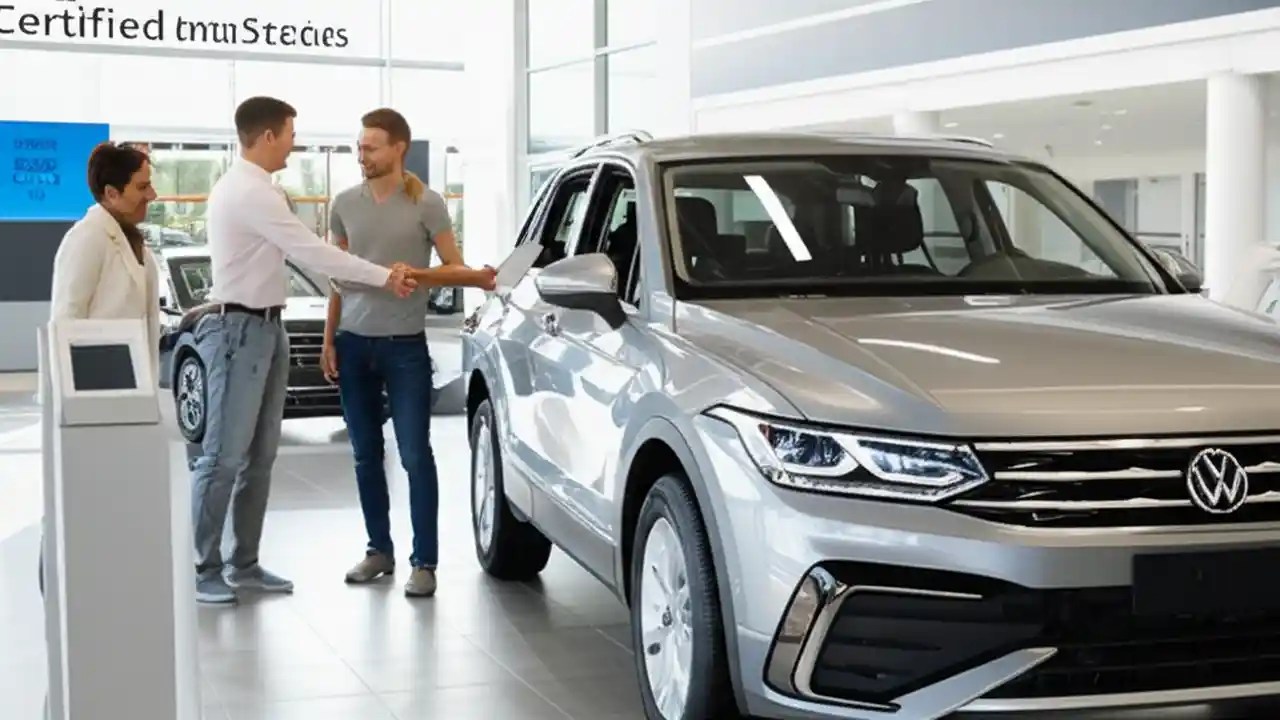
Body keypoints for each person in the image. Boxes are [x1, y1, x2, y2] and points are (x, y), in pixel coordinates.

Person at [190, 96, 418, 605]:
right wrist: (384, 276)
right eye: (291, 133)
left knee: (260, 457)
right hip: (237, 333)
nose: (295, 143)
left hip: (268, 329)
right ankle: (204, 568)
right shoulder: (249, 193)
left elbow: (309, 256)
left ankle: (243, 564)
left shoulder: (262, 191)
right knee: (223, 458)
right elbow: (313, 253)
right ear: (268, 136)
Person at [322, 108, 495, 598]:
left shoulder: (428, 204)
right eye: (359, 146)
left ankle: (425, 562)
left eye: (371, 147)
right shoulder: (343, 204)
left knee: (416, 455)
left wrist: (414, 275)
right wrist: (328, 338)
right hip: (353, 346)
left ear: (398, 147)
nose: (362, 155)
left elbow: (458, 270)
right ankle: (379, 550)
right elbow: (336, 278)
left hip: (405, 349)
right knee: (364, 455)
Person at [43, 142, 160, 594]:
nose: (152, 194)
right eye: (142, 186)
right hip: (94, 401)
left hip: (128, 397)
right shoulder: (88, 238)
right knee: (85, 511)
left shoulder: (134, 240)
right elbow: (66, 323)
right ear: (111, 193)